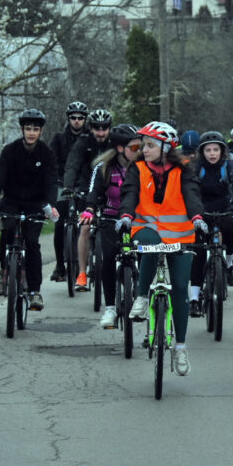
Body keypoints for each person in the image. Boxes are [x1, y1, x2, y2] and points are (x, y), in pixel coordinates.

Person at [118, 121, 206, 376]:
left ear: (165, 147)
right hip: (145, 227)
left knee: (180, 287)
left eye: (149, 145)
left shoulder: (184, 171)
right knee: (150, 245)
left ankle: (180, 347)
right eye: (143, 145)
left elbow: (192, 196)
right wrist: (125, 215)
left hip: (180, 234)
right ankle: (143, 297)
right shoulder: (137, 168)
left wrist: (198, 219)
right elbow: (130, 193)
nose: (143, 149)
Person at [0, 109, 59, 312]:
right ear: (22, 130)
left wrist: (51, 205)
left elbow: (51, 181)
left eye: (35, 129)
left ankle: (34, 291)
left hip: (36, 204)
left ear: (41, 131)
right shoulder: (10, 150)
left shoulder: (47, 154)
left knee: (32, 243)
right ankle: (3, 269)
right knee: (7, 232)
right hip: (11, 202)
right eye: (28, 129)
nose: (31, 133)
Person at [188, 131, 233, 316]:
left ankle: (231, 262)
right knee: (199, 250)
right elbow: (190, 189)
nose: (212, 153)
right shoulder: (196, 167)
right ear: (202, 152)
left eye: (216, 149)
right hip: (202, 209)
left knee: (229, 228)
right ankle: (194, 298)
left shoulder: (229, 165)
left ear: (222, 150)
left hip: (225, 206)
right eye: (208, 150)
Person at [81, 124, 140, 328]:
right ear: (120, 148)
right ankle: (110, 308)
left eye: (140, 147)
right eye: (134, 148)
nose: (139, 151)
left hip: (137, 220)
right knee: (107, 259)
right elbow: (93, 192)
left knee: (144, 256)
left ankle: (140, 294)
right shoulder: (103, 168)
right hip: (110, 219)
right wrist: (89, 209)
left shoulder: (143, 167)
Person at [64, 108, 113, 291]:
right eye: (97, 128)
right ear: (91, 128)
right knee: (85, 227)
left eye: (104, 128)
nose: (100, 132)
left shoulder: (114, 143)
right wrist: (69, 187)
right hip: (86, 190)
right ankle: (82, 273)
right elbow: (72, 165)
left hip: (108, 190)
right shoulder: (83, 142)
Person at [48, 101, 88, 281]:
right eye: (74, 118)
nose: (77, 121)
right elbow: (51, 161)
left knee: (87, 223)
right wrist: (59, 180)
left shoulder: (89, 138)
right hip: (61, 183)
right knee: (59, 223)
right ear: (69, 119)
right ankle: (59, 265)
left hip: (83, 184)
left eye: (81, 118)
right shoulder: (58, 139)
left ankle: (86, 264)